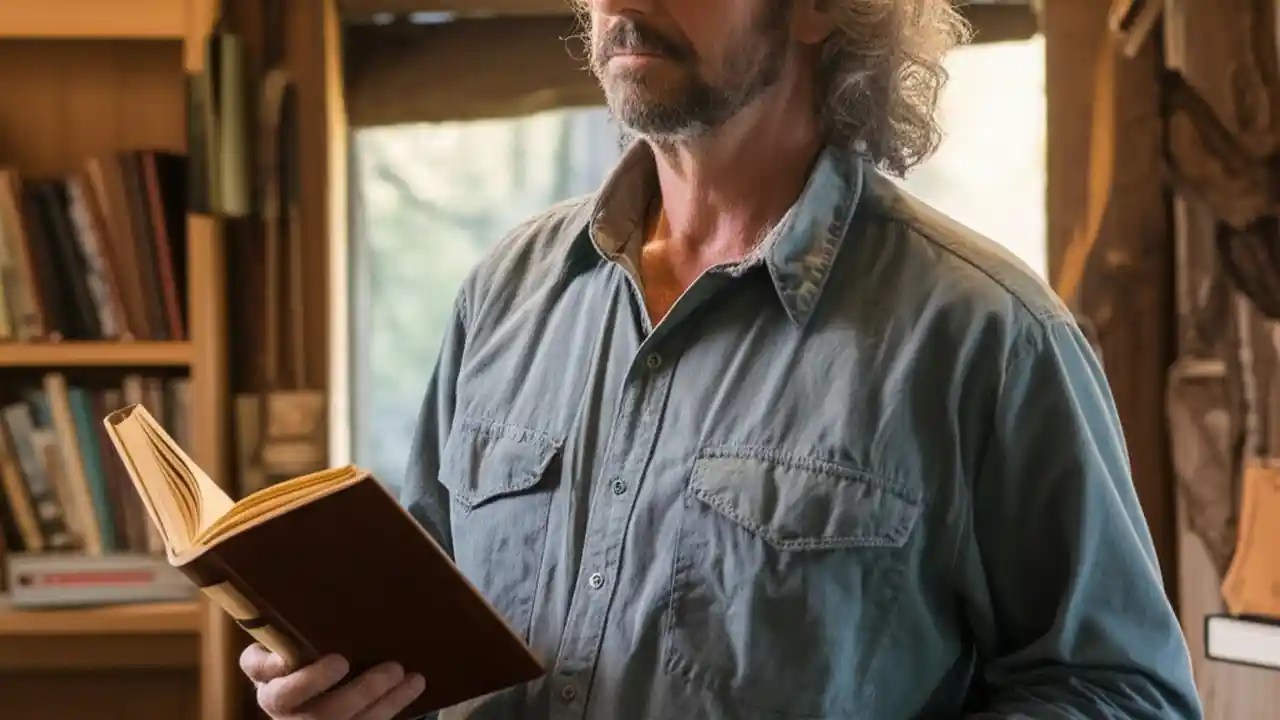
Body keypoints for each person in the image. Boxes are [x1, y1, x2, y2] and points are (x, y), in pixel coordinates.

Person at [240, 0, 1205, 718]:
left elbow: (1126, 694)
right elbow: (418, 646)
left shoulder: (987, 336)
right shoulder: (505, 294)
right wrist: (334, 685)